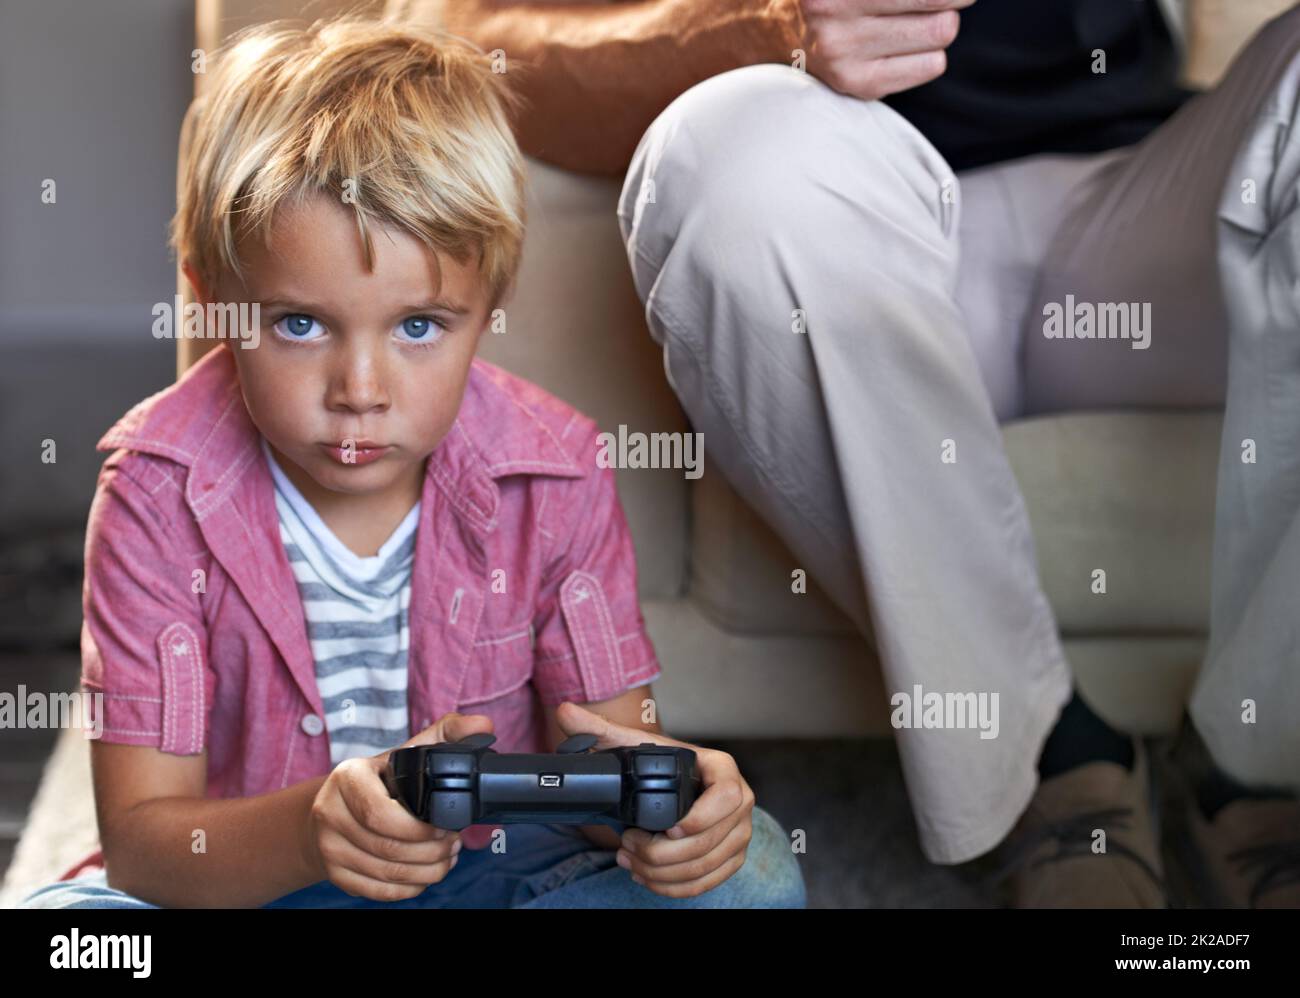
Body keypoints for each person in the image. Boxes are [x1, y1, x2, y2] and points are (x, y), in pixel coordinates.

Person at [392, 0, 1300, 906]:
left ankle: (1261, 754)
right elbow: (437, 31)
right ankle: (1049, 755)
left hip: (1153, 217)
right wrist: (761, 25)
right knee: (729, 157)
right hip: (842, 221)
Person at [18, 15, 805, 910]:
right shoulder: (155, 492)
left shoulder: (556, 471)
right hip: (259, 885)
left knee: (752, 874)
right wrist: (316, 829)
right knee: (68, 936)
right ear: (212, 297)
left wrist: (669, 805)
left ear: (489, 303)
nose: (361, 388)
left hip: (498, 874)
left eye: (419, 326)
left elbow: (607, 754)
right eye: (299, 324)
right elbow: (148, 847)